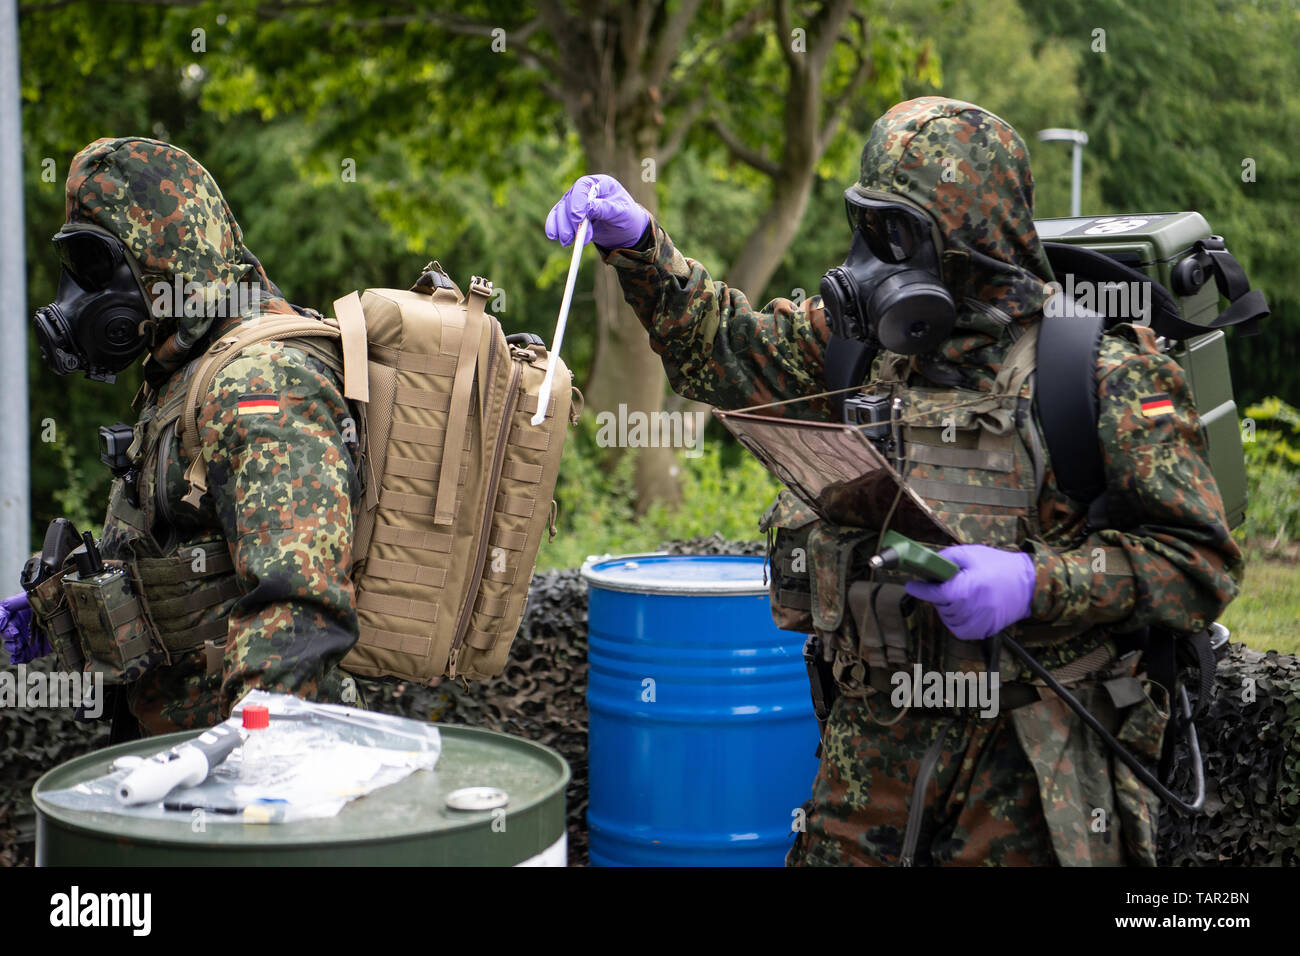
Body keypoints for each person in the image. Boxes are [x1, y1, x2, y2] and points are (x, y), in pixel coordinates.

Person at [545, 96, 1243, 866]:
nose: (871, 257)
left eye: (896, 233)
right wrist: (640, 246)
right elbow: (726, 350)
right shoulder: (863, 350)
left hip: (1035, 761)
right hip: (872, 751)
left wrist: (1034, 583)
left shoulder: (1103, 374)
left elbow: (1198, 564)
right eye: (866, 225)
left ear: (971, 241)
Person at [19, 137, 361, 738]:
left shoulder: (261, 381)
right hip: (177, 743)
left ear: (166, 256)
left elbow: (297, 606)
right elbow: (180, 559)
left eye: (97, 263)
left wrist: (252, 759)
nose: (79, 292)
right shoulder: (188, 370)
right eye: (74, 264)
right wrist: (70, 608)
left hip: (239, 757)